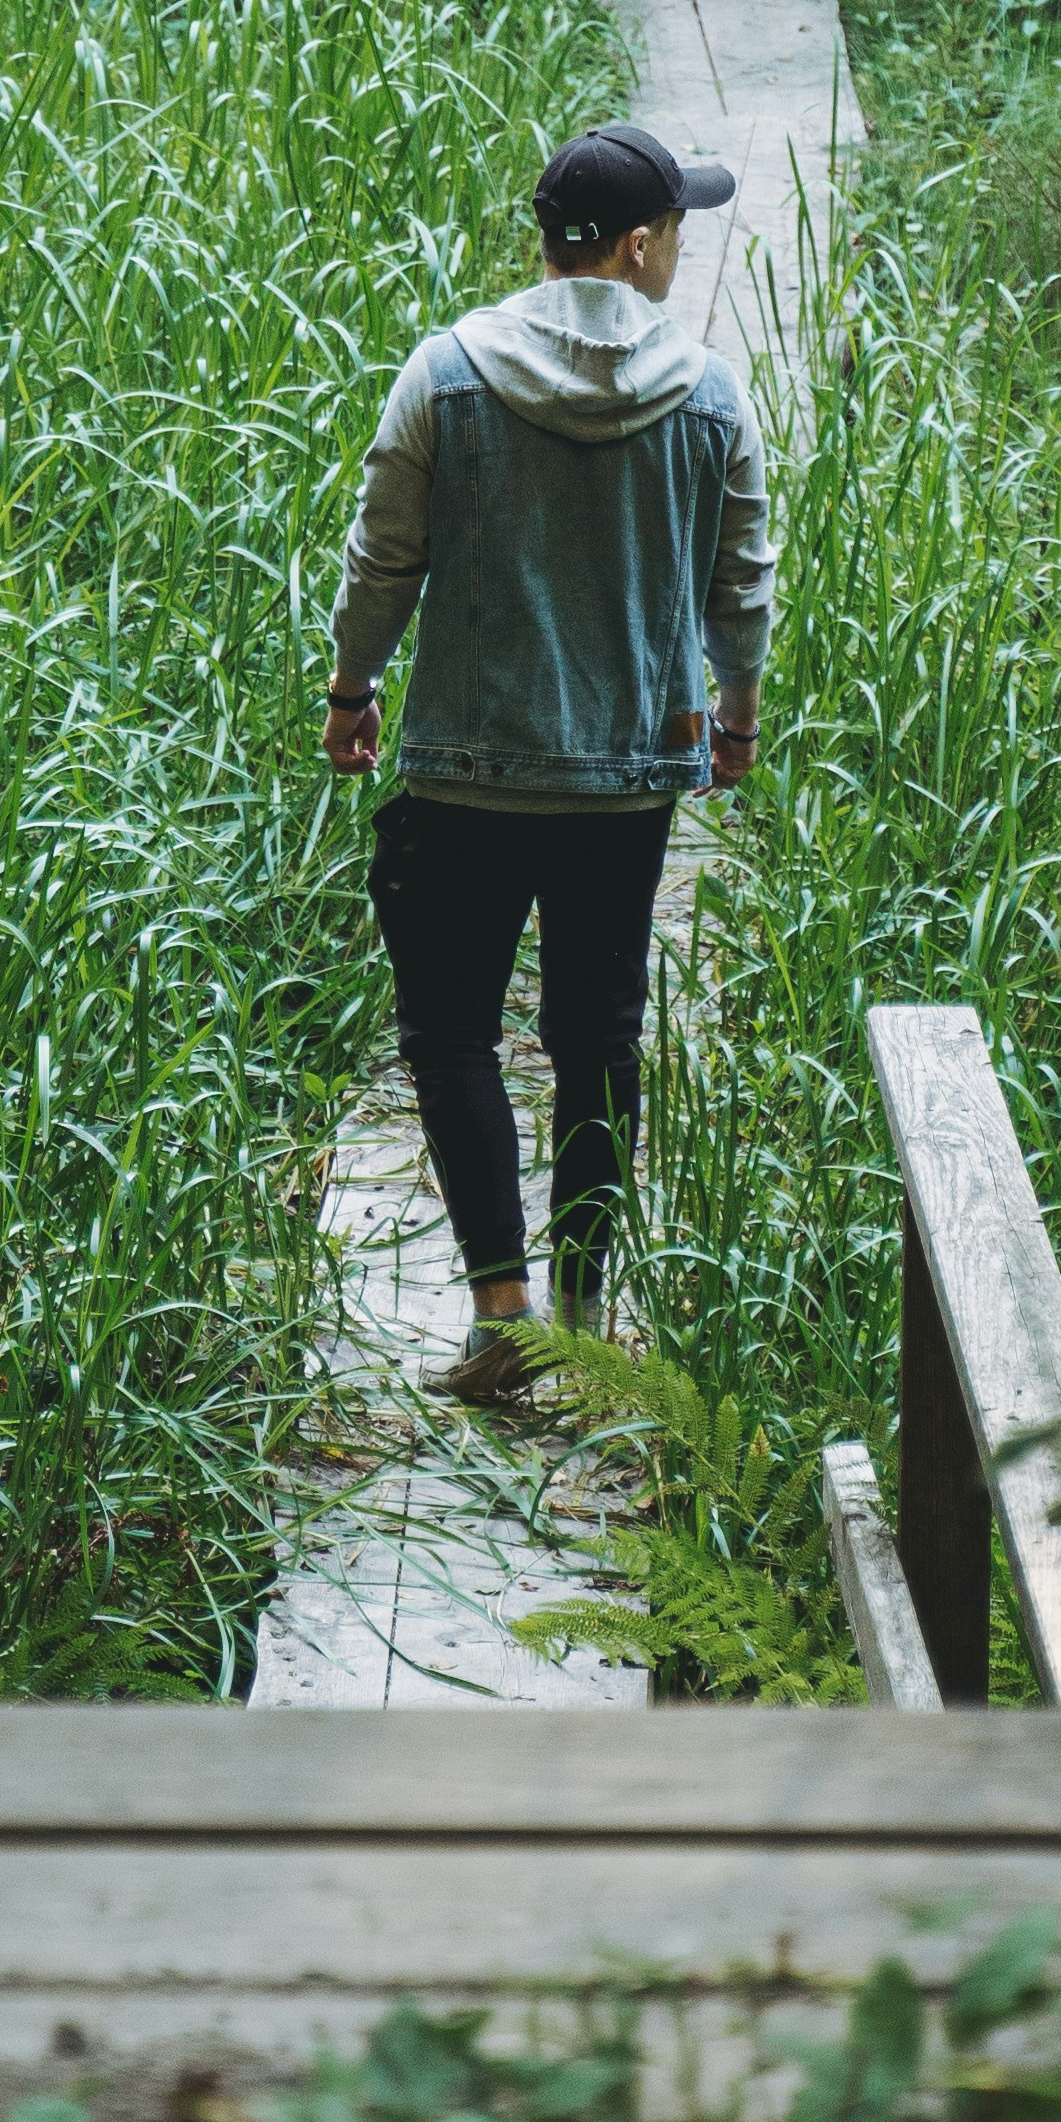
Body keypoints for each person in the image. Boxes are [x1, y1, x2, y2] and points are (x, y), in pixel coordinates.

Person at [320, 116, 777, 1409]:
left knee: (454, 1034)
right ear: (638, 247)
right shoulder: (711, 391)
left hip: (464, 770)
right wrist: (733, 715)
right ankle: (581, 1323)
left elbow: (383, 558)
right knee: (599, 1037)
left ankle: (499, 1310)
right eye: (678, 230)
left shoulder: (447, 373)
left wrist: (352, 689)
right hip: (626, 780)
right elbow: (740, 583)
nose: (677, 251)